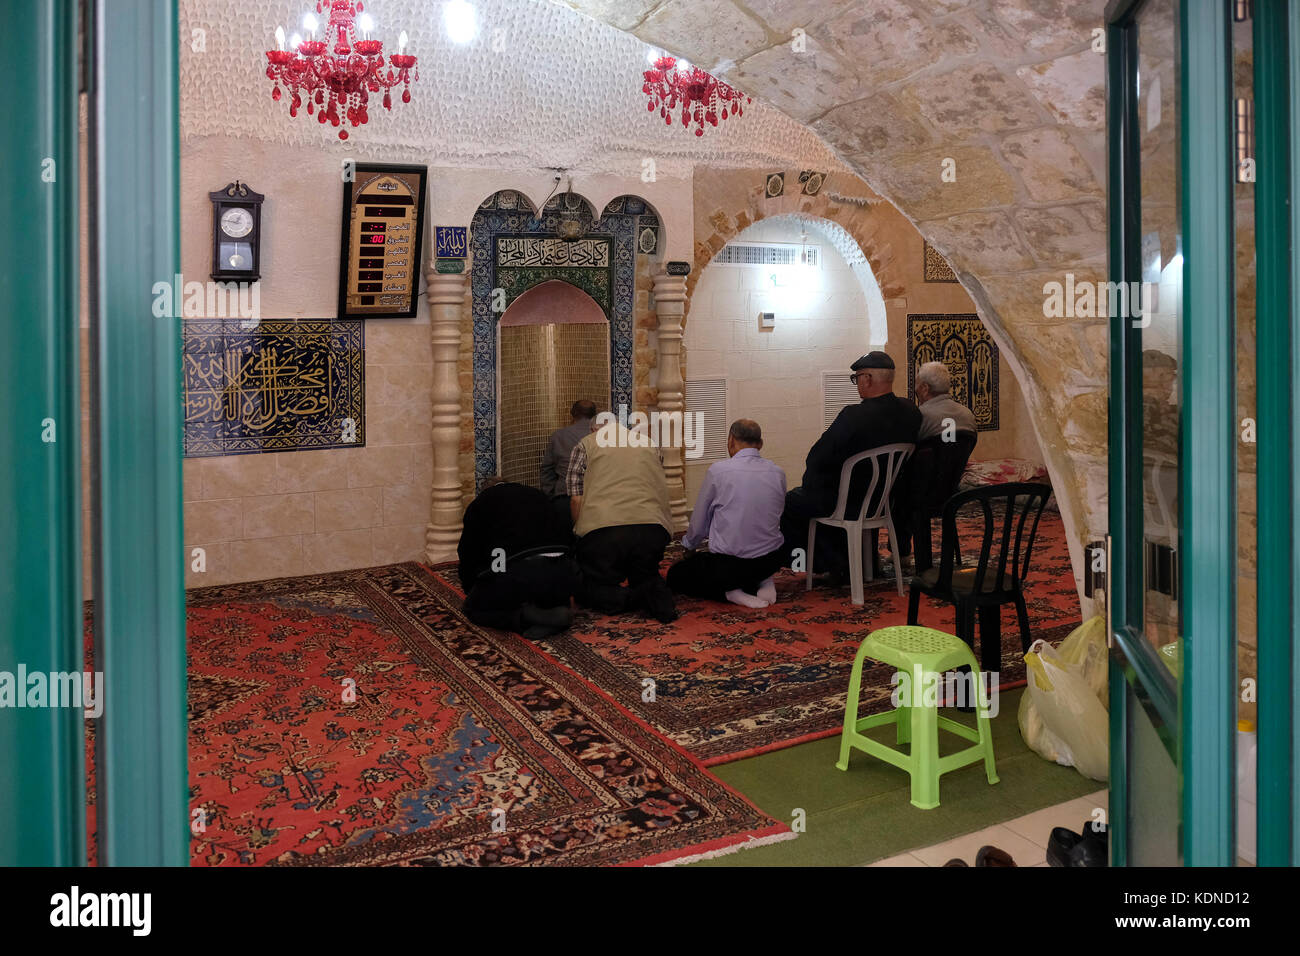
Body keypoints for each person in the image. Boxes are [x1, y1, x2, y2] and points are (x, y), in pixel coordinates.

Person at [780, 351, 922, 575]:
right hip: (884, 500)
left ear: (867, 379)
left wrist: (812, 484)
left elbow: (817, 457)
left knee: (790, 502)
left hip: (848, 503)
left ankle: (829, 564)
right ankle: (859, 562)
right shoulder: (911, 412)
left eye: (857, 378)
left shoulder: (853, 416)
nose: (857, 384)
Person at [567, 415, 677, 623]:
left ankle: (624, 599)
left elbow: (576, 498)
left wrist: (580, 533)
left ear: (594, 430)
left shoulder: (586, 445)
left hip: (605, 533)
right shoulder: (648, 444)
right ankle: (655, 597)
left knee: (595, 582)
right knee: (646, 574)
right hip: (653, 529)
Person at [667, 419, 786, 608]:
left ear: (730, 441)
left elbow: (699, 521)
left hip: (730, 566)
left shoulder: (719, 471)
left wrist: (689, 546)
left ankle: (731, 593)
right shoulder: (778, 472)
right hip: (771, 559)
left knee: (677, 575)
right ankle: (764, 581)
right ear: (760, 444)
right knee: (753, 557)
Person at [457, 477, 579, 639]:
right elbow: (566, 536)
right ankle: (553, 617)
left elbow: (468, 552)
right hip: (563, 572)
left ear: (485, 490)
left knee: (472, 609)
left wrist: (475, 590)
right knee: (540, 587)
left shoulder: (481, 503)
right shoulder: (539, 495)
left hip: (520, 574)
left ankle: (526, 617)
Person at [541, 400, 597, 525]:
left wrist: (550, 497)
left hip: (564, 498)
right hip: (595, 499)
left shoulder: (558, 435)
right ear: (594, 415)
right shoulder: (599, 436)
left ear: (573, 413)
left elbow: (547, 469)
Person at [914, 361, 977, 440]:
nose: (916, 390)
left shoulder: (920, 416)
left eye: (917, 386)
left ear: (925, 388)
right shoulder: (968, 415)